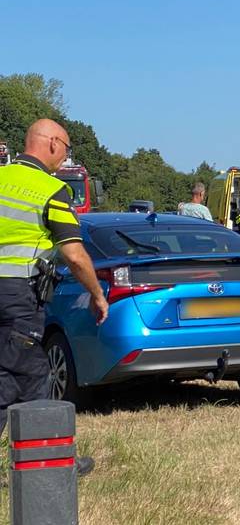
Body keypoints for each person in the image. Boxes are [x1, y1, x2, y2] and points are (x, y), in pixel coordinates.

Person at [0, 120, 108, 477]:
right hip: (18, 299)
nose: (65, 156)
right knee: (30, 376)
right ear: (50, 144)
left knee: (10, 374)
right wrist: (97, 295)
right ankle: (54, 464)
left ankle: (51, 459)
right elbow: (75, 255)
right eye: (65, 147)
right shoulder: (50, 189)